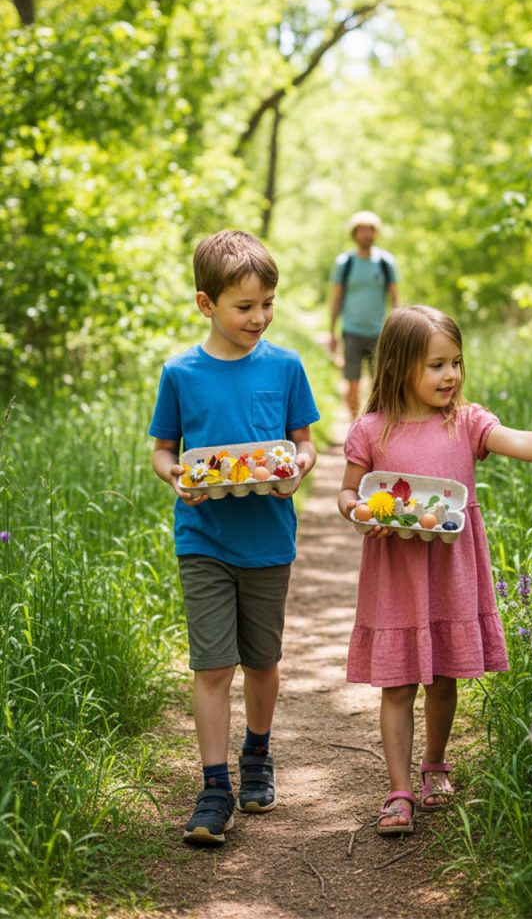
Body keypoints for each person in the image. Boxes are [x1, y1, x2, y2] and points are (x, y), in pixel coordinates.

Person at [337, 305, 532, 836]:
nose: (451, 376)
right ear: (399, 368)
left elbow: (520, 439)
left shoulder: (464, 423)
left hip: (449, 569)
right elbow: (348, 491)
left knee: (444, 675)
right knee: (398, 683)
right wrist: (356, 510)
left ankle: (435, 764)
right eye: (437, 366)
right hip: (397, 571)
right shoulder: (371, 429)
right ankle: (398, 791)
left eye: (456, 363)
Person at [149, 229, 319, 845]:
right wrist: (175, 477)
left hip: (268, 535)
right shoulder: (180, 372)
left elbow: (304, 444)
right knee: (213, 664)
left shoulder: (286, 365)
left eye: (267, 303)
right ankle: (214, 786)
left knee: (263, 661)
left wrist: (299, 469)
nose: (259, 317)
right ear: (206, 304)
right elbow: (164, 451)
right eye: (244, 306)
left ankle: (258, 753)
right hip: (204, 536)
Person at [329, 210, 399, 420]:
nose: (366, 235)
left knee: (379, 384)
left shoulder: (386, 262)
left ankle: (374, 425)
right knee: (352, 382)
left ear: (376, 233)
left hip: (379, 333)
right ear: (355, 234)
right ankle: (354, 425)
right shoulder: (345, 263)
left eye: (370, 230)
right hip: (351, 331)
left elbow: (395, 299)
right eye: (362, 230)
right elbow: (336, 299)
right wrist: (332, 332)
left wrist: (396, 330)